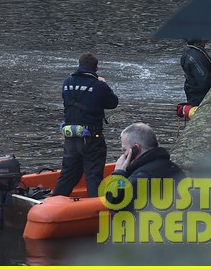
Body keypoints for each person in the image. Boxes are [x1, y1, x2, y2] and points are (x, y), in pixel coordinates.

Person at [51, 53, 119, 198]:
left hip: (71, 137)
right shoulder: (99, 86)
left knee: (68, 176)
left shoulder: (67, 82)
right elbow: (113, 103)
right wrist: (104, 84)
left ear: (79, 64)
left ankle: (54, 202)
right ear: (96, 68)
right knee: (94, 178)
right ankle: (95, 211)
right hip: (91, 139)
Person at [107, 122, 186, 207]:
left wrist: (119, 173)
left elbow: (114, 200)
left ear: (135, 149)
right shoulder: (173, 168)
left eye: (124, 149)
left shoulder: (142, 176)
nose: (123, 155)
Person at [181, 39, 211, 106]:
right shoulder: (195, 56)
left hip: (197, 97)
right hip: (199, 101)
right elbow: (204, 83)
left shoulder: (193, 52)